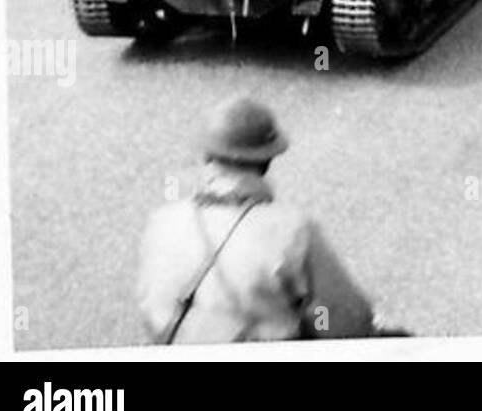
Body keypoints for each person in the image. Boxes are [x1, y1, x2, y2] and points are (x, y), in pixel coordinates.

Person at [136, 96, 376, 344]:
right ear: (266, 161)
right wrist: (315, 321)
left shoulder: (162, 223)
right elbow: (347, 322)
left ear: (207, 156)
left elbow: (151, 305)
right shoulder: (292, 230)